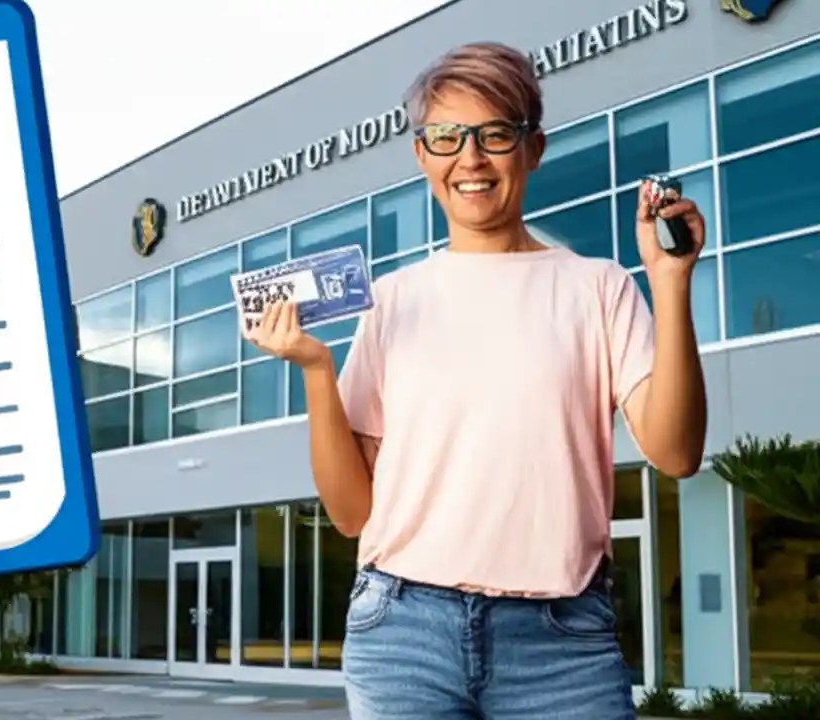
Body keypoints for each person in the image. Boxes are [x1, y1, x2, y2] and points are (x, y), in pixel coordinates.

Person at [243, 41, 708, 719]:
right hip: (404, 632)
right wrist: (318, 370)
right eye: (445, 136)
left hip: (562, 644)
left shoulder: (597, 288)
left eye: (494, 134)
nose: (470, 158)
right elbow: (351, 515)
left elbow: (677, 453)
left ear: (533, 148)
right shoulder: (394, 301)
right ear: (422, 155)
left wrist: (669, 283)